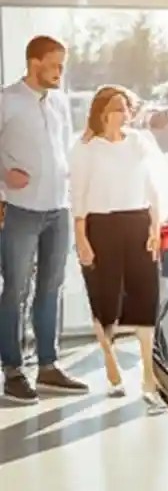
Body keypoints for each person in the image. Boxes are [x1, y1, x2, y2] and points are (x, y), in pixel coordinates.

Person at [0, 35, 89, 404]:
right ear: (34, 63)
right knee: (15, 290)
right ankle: (12, 370)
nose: (60, 72)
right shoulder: (6, 100)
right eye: (55, 64)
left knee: (52, 288)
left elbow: (63, 149)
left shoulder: (60, 102)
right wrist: (4, 174)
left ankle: (48, 367)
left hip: (58, 209)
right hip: (20, 210)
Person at [70, 84, 166, 412]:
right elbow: (78, 195)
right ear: (101, 112)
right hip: (101, 225)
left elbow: (152, 187)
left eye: (126, 107)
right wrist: (81, 238)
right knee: (105, 297)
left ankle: (149, 378)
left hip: (137, 222)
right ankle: (110, 362)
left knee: (144, 298)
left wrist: (155, 226)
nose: (124, 113)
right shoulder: (86, 148)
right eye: (117, 107)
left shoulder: (138, 142)